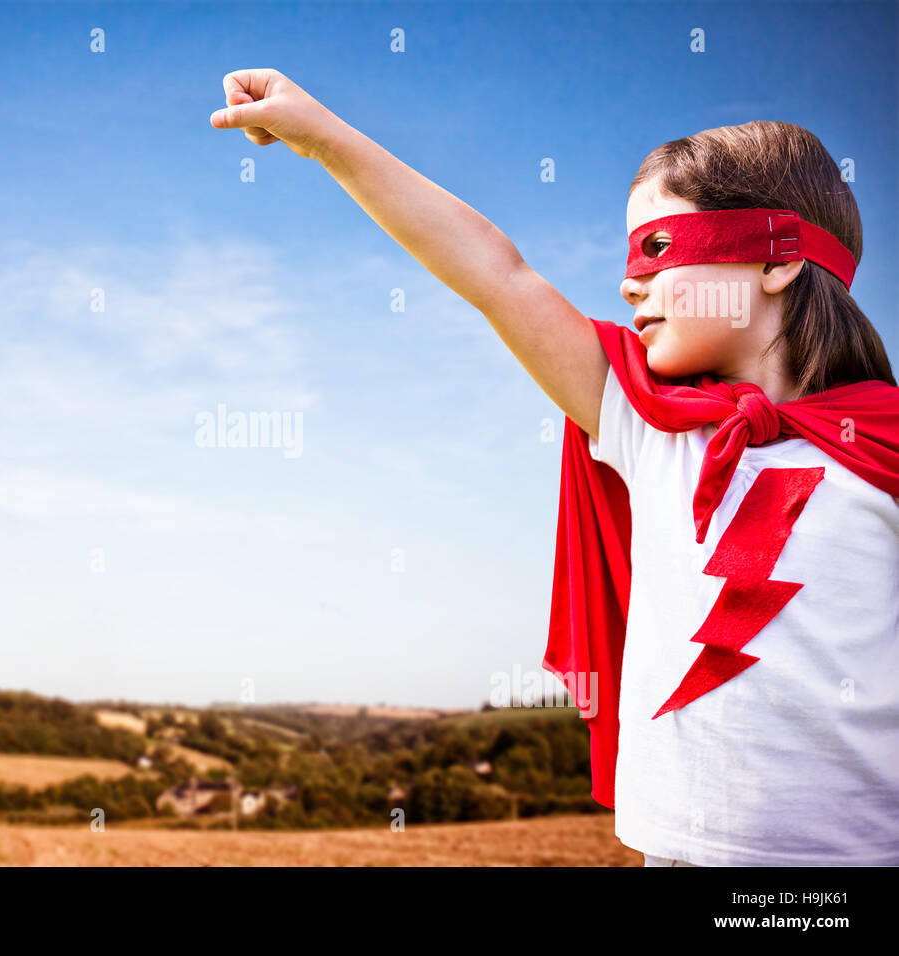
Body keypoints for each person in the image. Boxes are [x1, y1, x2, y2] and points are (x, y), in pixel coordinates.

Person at [211, 70, 899, 867]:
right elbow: (497, 276)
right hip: (671, 853)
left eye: (658, 246)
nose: (628, 281)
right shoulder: (651, 426)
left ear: (778, 259)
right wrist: (323, 135)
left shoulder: (884, 455)